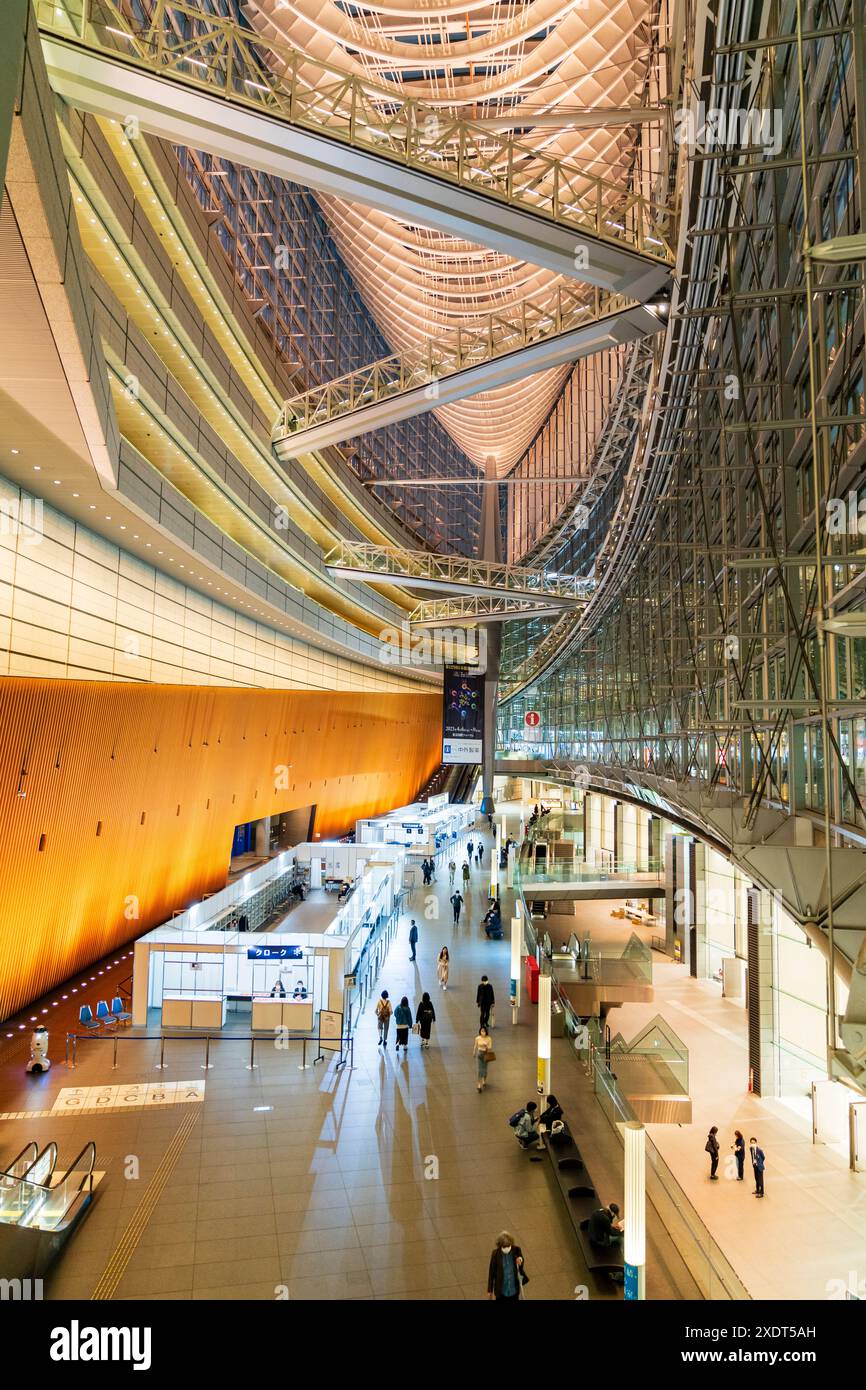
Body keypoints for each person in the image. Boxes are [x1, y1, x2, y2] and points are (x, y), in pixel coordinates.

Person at [487, 1232, 526, 1301]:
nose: (507, 1248)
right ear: (500, 1245)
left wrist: (520, 1260)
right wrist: (490, 1290)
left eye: (508, 1246)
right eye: (504, 1247)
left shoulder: (516, 1250)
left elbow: (521, 1258)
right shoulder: (495, 1254)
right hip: (501, 1291)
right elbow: (491, 1272)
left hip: (514, 1290)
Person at [474, 1024, 493, 1091]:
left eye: (484, 1031)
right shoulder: (477, 1038)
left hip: (485, 1054)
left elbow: (490, 1048)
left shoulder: (489, 1038)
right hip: (479, 1054)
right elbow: (475, 1045)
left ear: (486, 1032)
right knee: (480, 1070)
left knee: (484, 1069)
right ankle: (478, 1084)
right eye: (482, 1031)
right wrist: (474, 1052)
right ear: (480, 1031)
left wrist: (486, 1046)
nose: (483, 1032)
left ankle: (484, 1080)